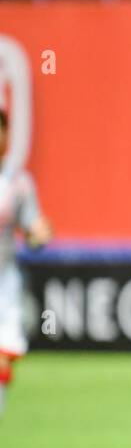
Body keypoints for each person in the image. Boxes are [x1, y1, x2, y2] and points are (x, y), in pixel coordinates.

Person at [0, 108, 52, 419]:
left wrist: (39, 234)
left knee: (4, 357)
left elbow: (33, 230)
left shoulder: (18, 182)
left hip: (5, 281)